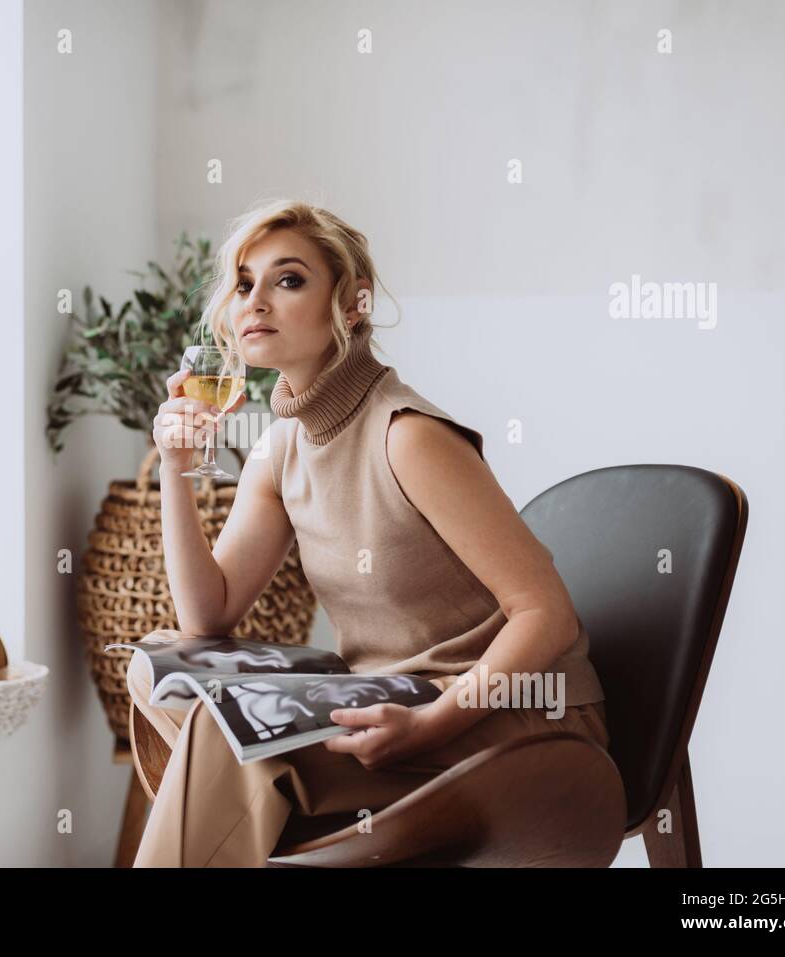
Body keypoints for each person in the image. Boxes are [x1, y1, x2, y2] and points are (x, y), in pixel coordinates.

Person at [130, 199, 609, 867]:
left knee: (224, 735)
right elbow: (205, 615)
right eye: (244, 283)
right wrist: (177, 470)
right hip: (384, 706)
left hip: (513, 727)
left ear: (351, 304)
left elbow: (547, 615)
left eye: (288, 279)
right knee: (161, 667)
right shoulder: (281, 448)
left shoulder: (407, 435)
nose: (255, 301)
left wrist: (432, 721)